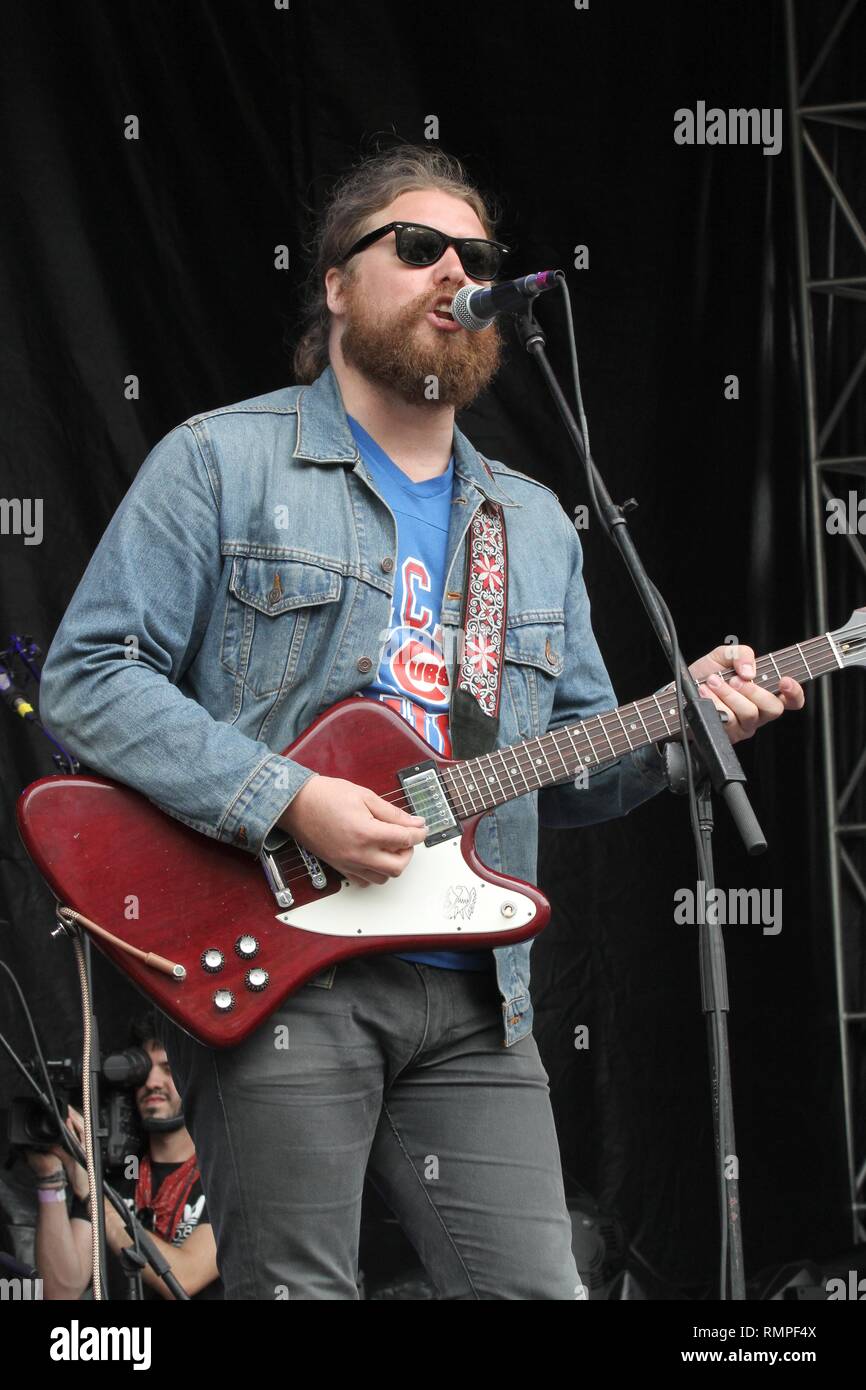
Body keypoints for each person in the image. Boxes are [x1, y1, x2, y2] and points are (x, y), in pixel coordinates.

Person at [38, 142, 805, 1299]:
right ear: (337, 284)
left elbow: (575, 766)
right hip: (289, 969)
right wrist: (287, 797)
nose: (455, 269)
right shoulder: (221, 461)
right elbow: (88, 674)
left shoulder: (533, 523)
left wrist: (682, 729)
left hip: (474, 996)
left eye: (477, 253)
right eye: (416, 245)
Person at [26, 1016, 222, 1299]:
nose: (152, 1082)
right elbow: (60, 1291)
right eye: (143, 1071)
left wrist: (91, 1195)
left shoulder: (223, 1176)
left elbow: (183, 1278)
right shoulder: (116, 1177)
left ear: (192, 1079)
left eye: (168, 1069)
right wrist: (51, 1178)